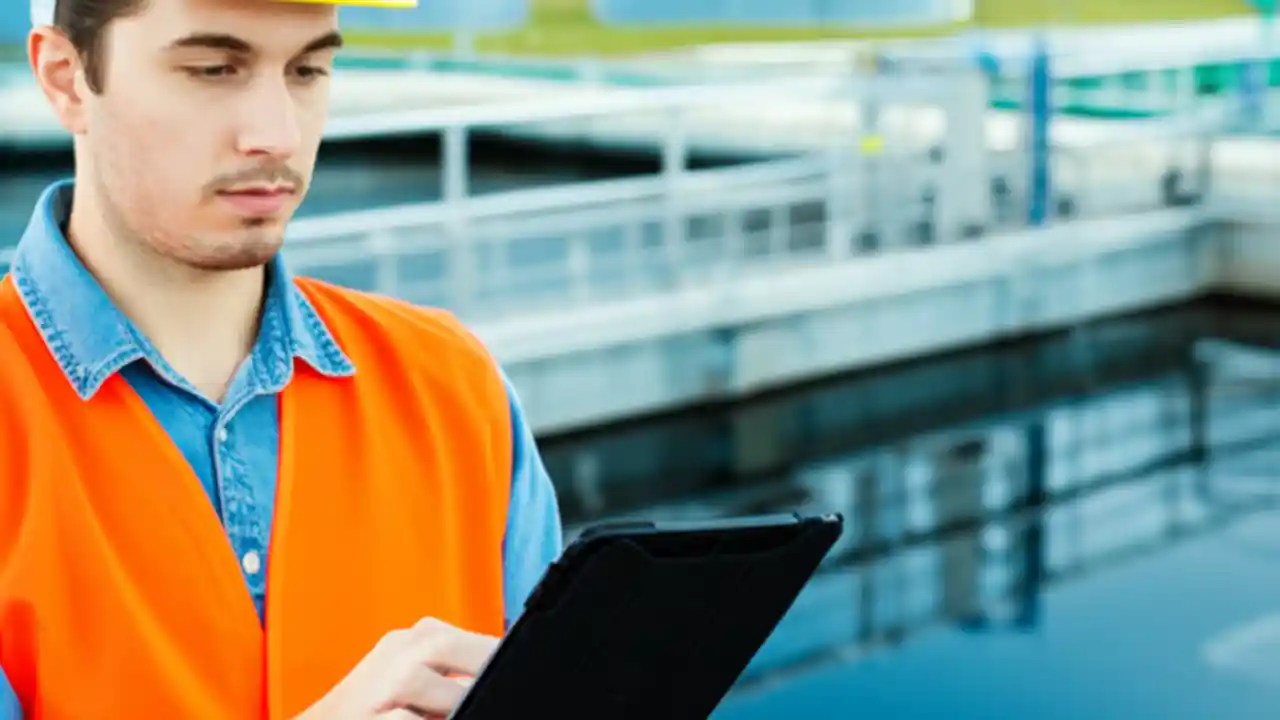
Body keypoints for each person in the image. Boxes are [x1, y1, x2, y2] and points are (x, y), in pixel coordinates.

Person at [0, 0, 563, 717]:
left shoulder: (454, 383)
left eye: (307, 69)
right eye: (213, 69)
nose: (278, 133)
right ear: (65, 79)